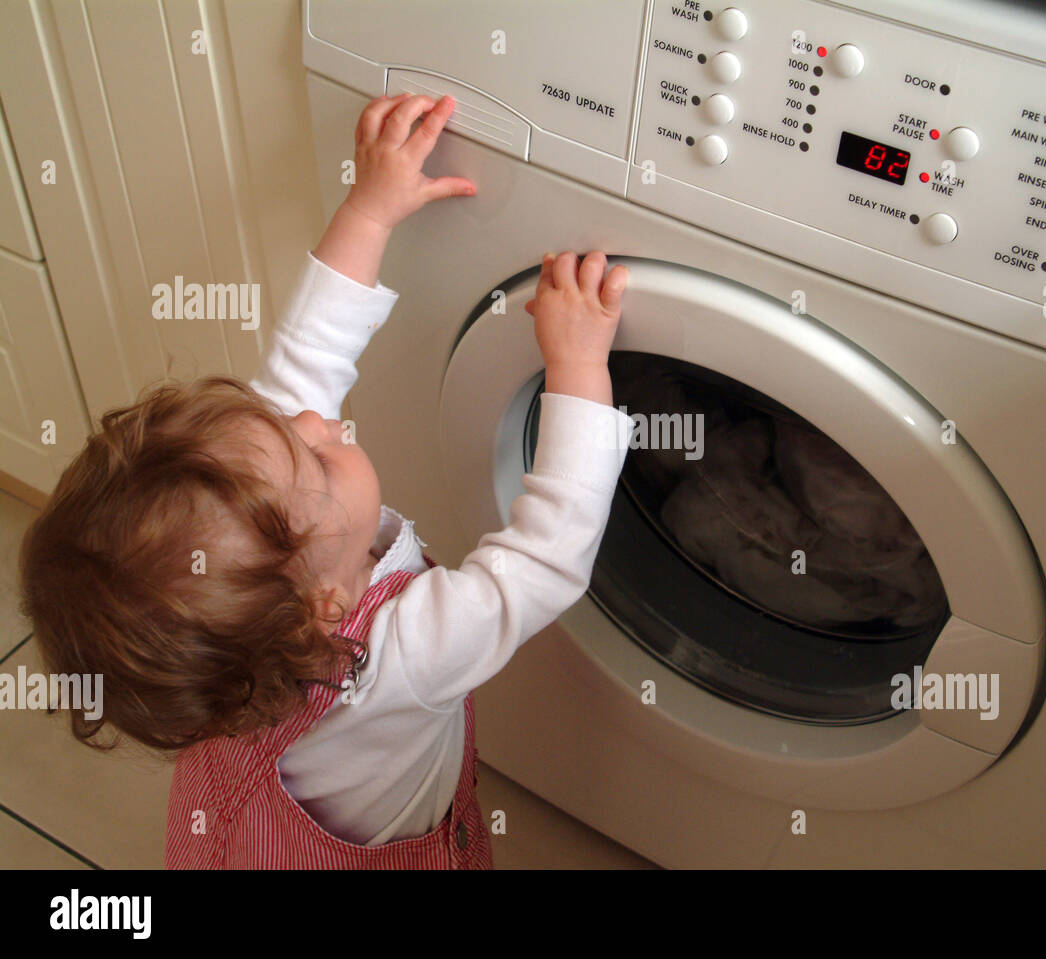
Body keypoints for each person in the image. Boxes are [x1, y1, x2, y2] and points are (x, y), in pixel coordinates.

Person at [18, 92, 633, 868]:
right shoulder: (402, 655)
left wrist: (370, 212)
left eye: (282, 427)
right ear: (325, 607)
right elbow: (545, 559)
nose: (314, 421)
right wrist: (577, 368)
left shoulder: (235, 612)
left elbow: (307, 356)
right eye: (311, 458)